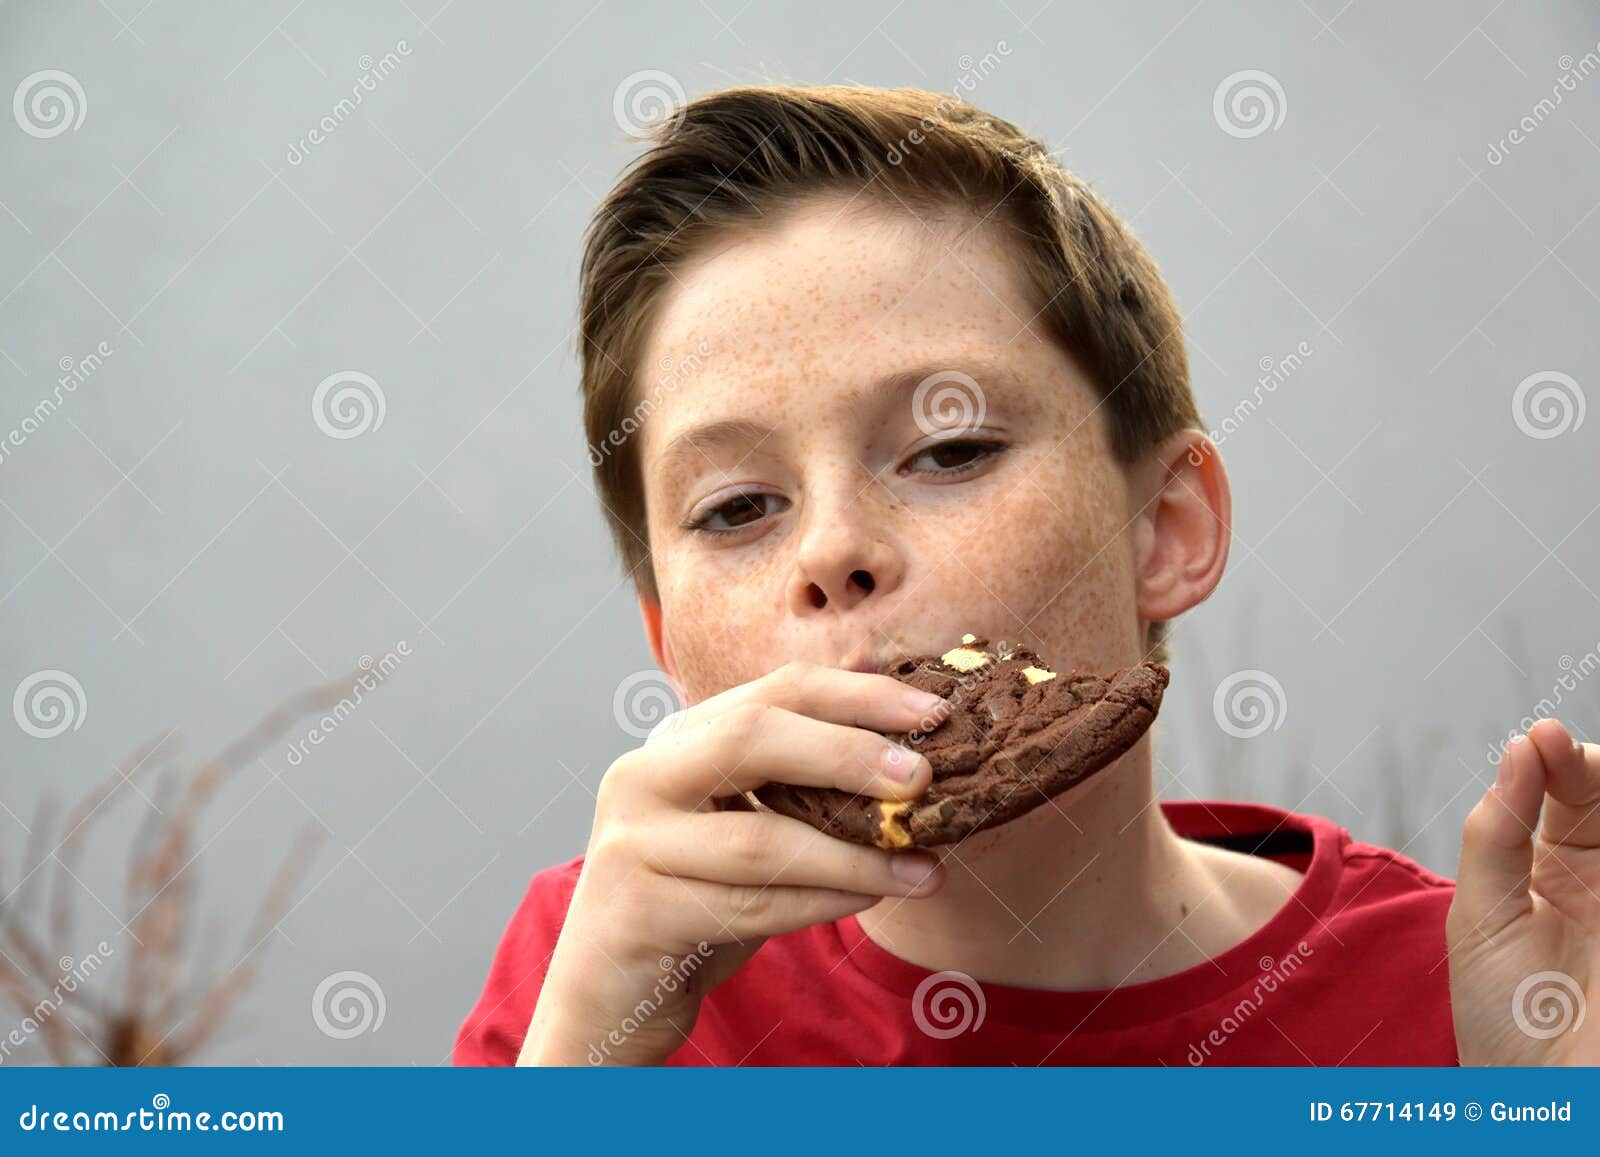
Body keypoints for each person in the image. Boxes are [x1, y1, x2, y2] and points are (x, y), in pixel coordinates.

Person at [454, 85, 1600, 1066]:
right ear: (671, 649)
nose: (831, 552)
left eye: (949, 448)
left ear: (1166, 526)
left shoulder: (1488, 987)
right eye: (739, 506)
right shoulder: (602, 975)